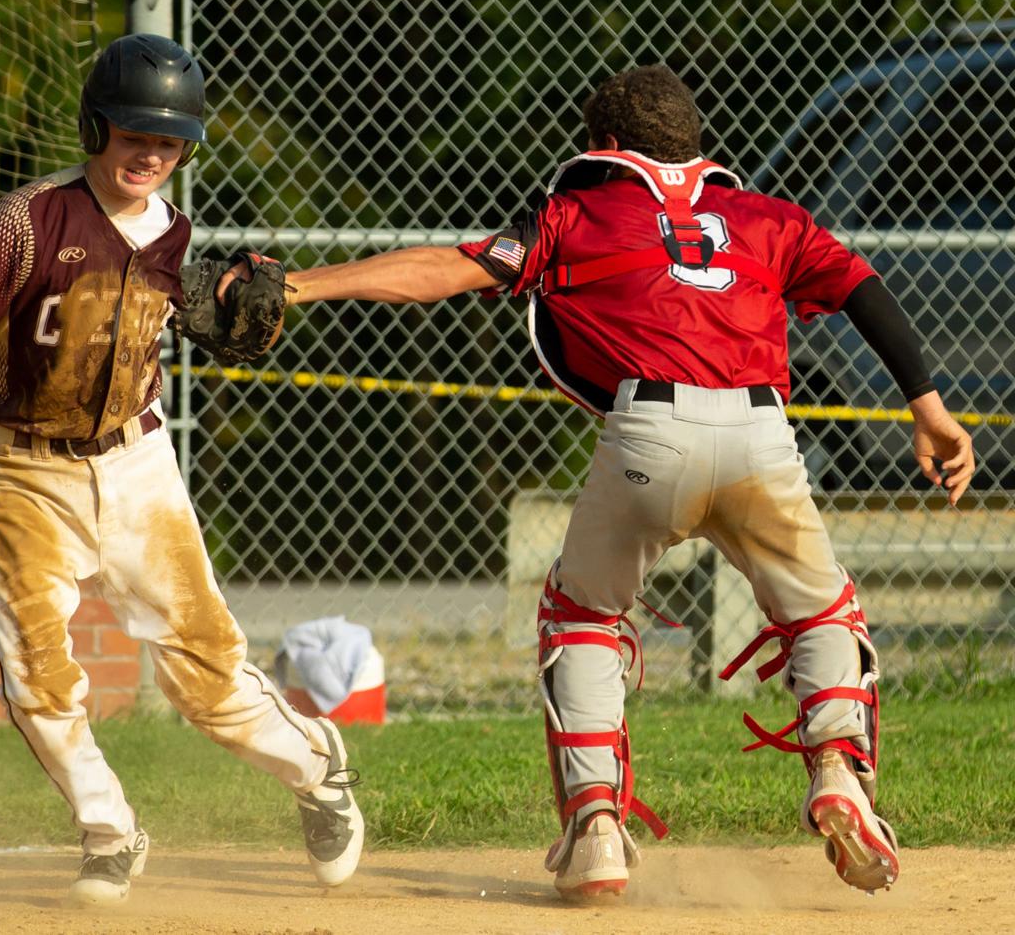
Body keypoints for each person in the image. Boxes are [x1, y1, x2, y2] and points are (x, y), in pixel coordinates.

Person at [266, 65, 974, 900]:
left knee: (584, 613)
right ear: (694, 144)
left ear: (603, 147)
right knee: (820, 609)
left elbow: (443, 269)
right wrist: (927, 407)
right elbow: (864, 290)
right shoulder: (766, 217)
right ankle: (840, 774)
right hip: (762, 432)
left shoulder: (581, 212)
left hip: (649, 433)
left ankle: (598, 827)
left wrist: (301, 283)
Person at [0, 33, 363, 907]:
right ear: (96, 126)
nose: (151, 154)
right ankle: (109, 831)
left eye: (168, 141)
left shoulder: (174, 232)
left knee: (206, 676)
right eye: (135, 134)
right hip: (27, 477)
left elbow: (139, 332)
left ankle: (319, 767)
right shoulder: (26, 221)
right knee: (35, 682)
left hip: (137, 469)